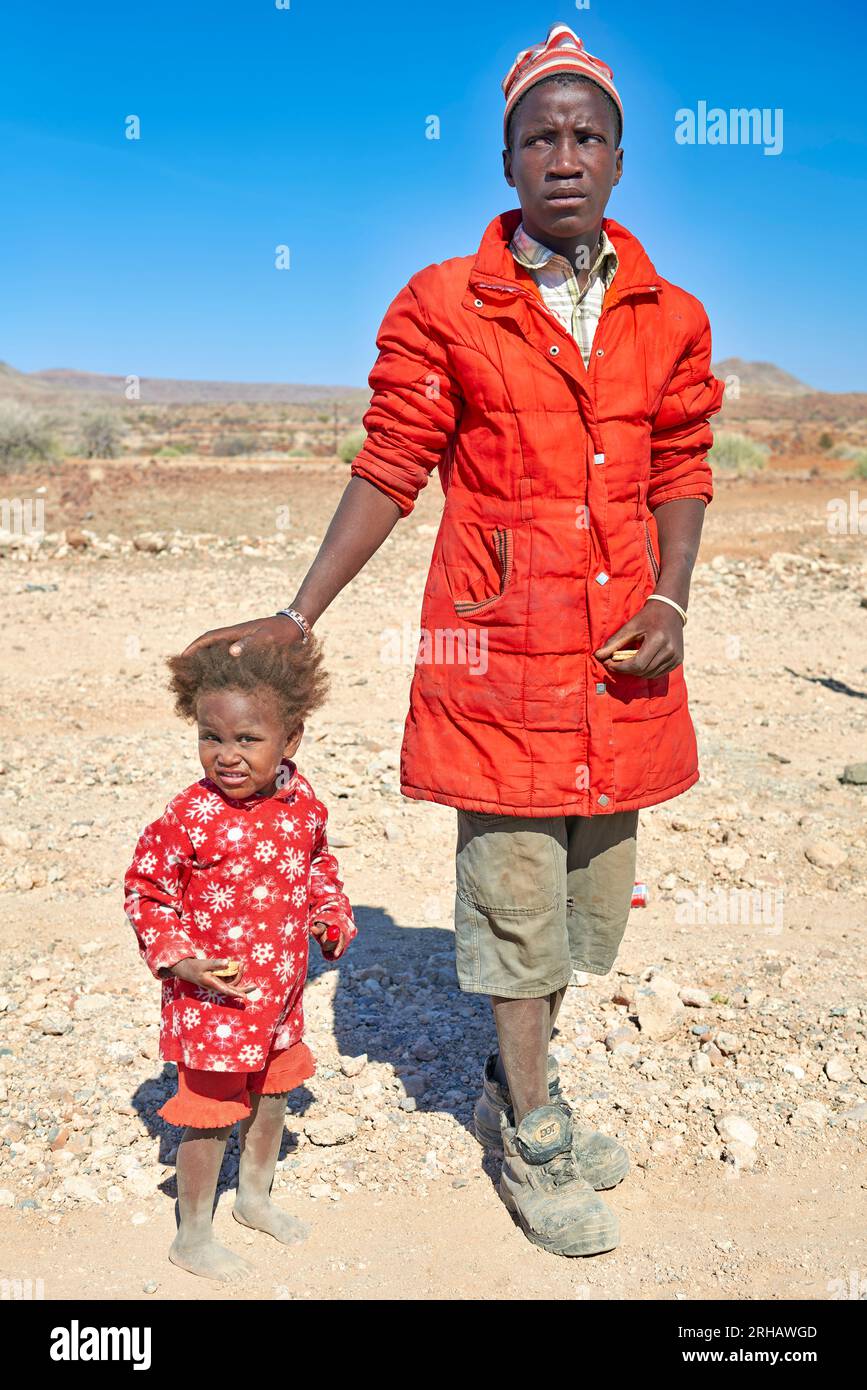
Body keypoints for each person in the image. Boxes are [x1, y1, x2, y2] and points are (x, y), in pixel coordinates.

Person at [181, 23, 725, 1258]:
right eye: (543, 135)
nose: (565, 154)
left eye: (588, 135)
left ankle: (508, 1079)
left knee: (587, 914)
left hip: (622, 656)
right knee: (516, 900)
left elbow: (683, 463)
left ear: (623, 160)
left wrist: (676, 599)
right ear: (506, 156)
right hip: (495, 657)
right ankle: (530, 1125)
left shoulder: (670, 315)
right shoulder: (447, 302)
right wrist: (299, 611)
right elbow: (391, 463)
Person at [122, 636, 356, 1281]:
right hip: (213, 1001)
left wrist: (330, 916)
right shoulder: (189, 817)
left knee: (274, 1094)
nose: (226, 756)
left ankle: (255, 1198)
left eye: (247, 740)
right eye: (210, 737)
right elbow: (147, 890)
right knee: (210, 1111)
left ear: (291, 738)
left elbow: (317, 866)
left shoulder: (301, 804)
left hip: (280, 990)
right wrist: (179, 960)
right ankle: (192, 1234)